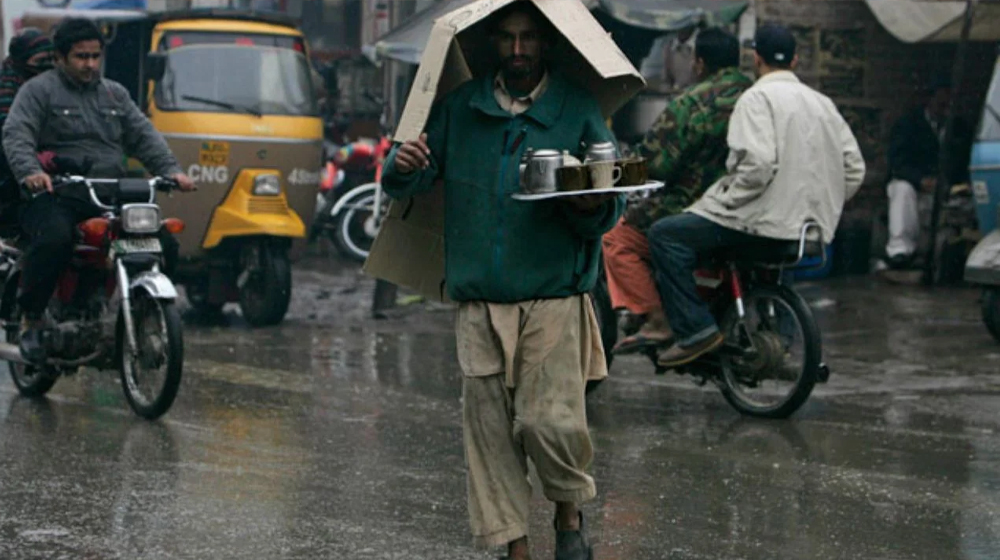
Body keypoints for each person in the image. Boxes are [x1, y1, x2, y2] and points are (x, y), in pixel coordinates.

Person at [380, 2, 623, 559]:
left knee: (548, 423)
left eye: (529, 39)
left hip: (553, 295)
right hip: (478, 300)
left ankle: (567, 512)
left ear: (547, 44)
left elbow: (606, 208)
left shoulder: (577, 109)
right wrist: (403, 162)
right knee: (490, 436)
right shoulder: (459, 108)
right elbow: (405, 182)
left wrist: (589, 203)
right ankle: (516, 549)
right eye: (508, 39)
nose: (518, 50)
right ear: (493, 44)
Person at [647, 23, 865, 368]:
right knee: (766, 249)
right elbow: (853, 169)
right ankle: (783, 343)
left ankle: (695, 330)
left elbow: (758, 166)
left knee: (664, 235)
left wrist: (727, 199)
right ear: (794, 60)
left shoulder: (756, 98)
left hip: (755, 223)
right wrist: (822, 201)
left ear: (755, 57)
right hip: (804, 227)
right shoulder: (822, 104)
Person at [2, 18, 195, 363]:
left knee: (163, 242)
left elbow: (143, 135)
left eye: (95, 56)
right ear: (60, 58)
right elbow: (17, 135)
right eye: (81, 57)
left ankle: (142, 312)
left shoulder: (114, 93)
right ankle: (31, 318)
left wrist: (171, 171)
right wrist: (31, 172)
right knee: (55, 240)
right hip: (57, 193)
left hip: (110, 193)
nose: (90, 64)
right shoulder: (38, 91)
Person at [602, 27, 752, 355]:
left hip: (693, 205)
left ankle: (658, 320)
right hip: (748, 205)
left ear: (699, 63)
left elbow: (656, 163)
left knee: (616, 238)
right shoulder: (756, 95)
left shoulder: (693, 102)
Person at [884, 76, 972, 269]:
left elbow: (964, 163)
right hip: (916, 186)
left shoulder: (960, 128)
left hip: (947, 190)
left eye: (949, 104)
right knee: (901, 189)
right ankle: (900, 250)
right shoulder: (908, 125)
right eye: (941, 103)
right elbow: (897, 163)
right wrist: (921, 180)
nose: (945, 108)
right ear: (929, 100)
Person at [0, 28, 55, 233]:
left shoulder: (50, 90)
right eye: (40, 61)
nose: (46, 67)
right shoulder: (9, 90)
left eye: (51, 59)